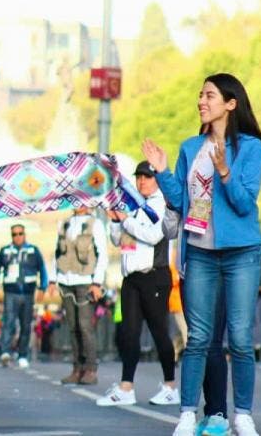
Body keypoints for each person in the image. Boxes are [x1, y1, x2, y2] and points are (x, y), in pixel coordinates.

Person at [143, 73, 261, 436]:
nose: (202, 101)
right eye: (200, 95)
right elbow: (180, 202)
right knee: (198, 337)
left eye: (209, 95)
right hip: (199, 252)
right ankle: (185, 413)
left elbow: (245, 205)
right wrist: (164, 171)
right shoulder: (189, 147)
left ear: (231, 103)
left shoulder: (250, 147)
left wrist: (226, 173)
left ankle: (242, 414)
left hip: (241, 252)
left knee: (241, 338)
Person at [96, 161, 180, 407]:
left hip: (154, 275)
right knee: (128, 333)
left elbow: (154, 235)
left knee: (158, 332)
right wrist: (114, 221)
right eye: (139, 177)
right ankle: (125, 387)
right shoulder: (131, 204)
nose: (142, 181)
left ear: (157, 180)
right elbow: (117, 239)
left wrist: (126, 220)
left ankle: (170, 385)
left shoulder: (161, 203)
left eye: (147, 177)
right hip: (131, 277)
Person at [52, 204, 108, 385]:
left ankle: (90, 369)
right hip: (66, 281)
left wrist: (97, 282)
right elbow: (57, 254)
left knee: (85, 326)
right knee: (73, 327)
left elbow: (102, 255)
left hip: (85, 281)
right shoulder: (64, 223)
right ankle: (77, 368)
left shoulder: (95, 224)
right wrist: (53, 280)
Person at [0, 222, 47, 368]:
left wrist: (43, 288)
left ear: (24, 234)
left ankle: (23, 355)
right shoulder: (5, 251)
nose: (18, 237)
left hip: (28, 292)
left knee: (26, 325)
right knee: (8, 322)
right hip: (11, 292)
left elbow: (43, 270)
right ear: (11, 235)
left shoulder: (34, 251)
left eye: (20, 233)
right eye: (15, 234)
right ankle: (5, 352)